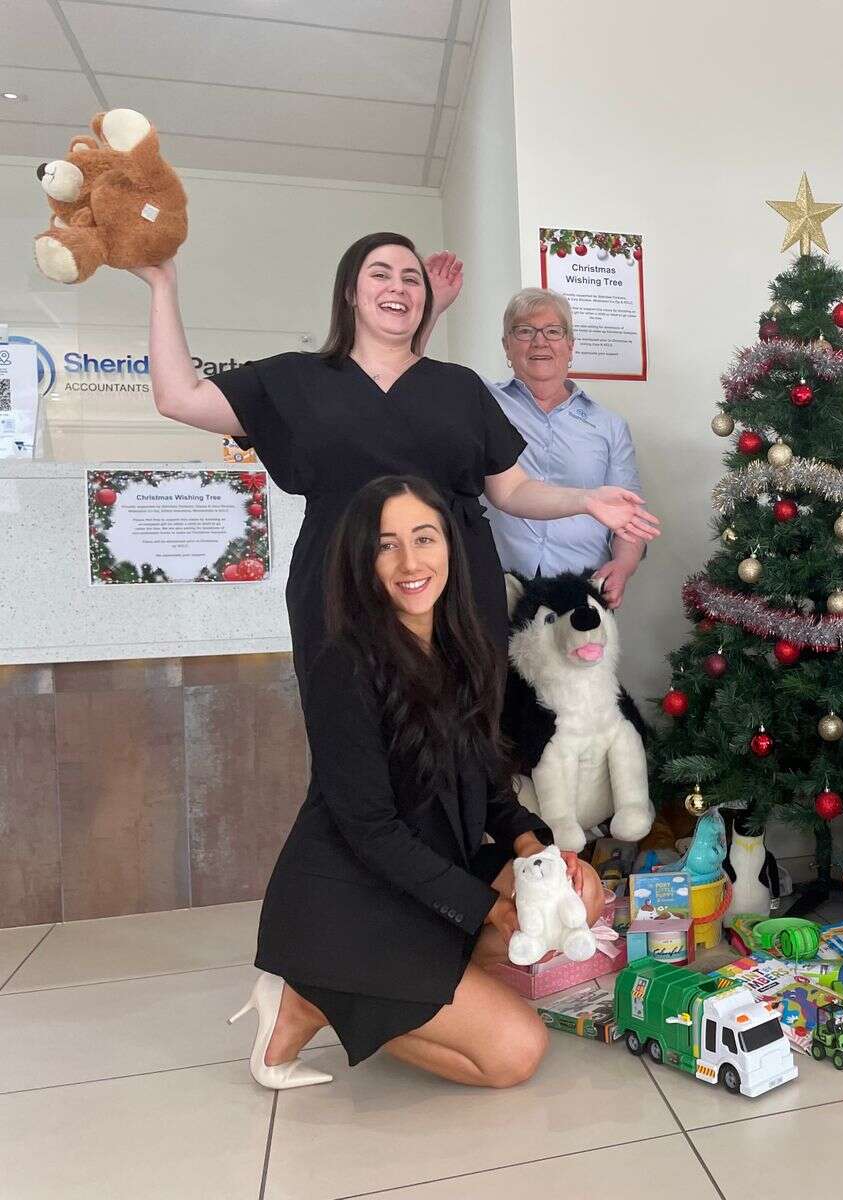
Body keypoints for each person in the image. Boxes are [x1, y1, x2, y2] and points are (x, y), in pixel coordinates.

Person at [129, 233, 659, 691]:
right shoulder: (295, 380)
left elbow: (511, 491)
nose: (397, 287)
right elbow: (179, 397)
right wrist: (163, 286)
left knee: (462, 743)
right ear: (350, 293)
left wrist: (585, 499)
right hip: (342, 583)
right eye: (380, 274)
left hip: (455, 593)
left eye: (411, 279)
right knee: (355, 744)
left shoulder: (458, 387)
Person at [228, 475, 607, 1090]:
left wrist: (537, 853)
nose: (411, 562)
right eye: (386, 545)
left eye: (424, 538)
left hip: (428, 875)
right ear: (362, 560)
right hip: (354, 900)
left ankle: (409, 984)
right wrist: (491, 910)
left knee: (578, 888)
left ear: (449, 548)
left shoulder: (461, 648)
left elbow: (489, 788)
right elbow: (372, 833)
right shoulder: (343, 664)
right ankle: (312, 993)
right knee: (513, 1055)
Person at [481, 287, 644, 607]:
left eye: (553, 331)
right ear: (506, 345)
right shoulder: (483, 403)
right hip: (496, 586)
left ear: (570, 345)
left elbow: (630, 515)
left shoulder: (609, 426)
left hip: (579, 589)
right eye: (525, 331)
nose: (540, 341)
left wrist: (624, 566)